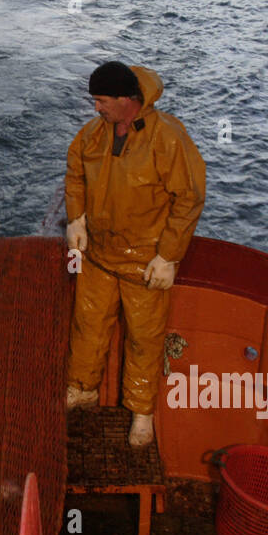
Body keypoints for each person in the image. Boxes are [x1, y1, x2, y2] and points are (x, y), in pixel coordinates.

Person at [64, 62, 206, 447]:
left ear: (128, 101)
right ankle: (82, 389)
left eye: (102, 101)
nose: (96, 108)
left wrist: (169, 256)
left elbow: (189, 197)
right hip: (99, 255)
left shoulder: (169, 138)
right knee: (88, 325)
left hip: (145, 261)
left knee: (144, 339)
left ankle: (142, 414)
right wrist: (76, 218)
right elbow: (75, 171)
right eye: (95, 101)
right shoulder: (92, 135)